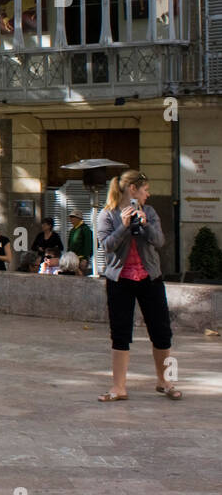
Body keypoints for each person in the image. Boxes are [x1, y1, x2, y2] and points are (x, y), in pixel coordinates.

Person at [96, 170, 180, 401]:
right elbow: (106, 246)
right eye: (145, 190)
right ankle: (119, 387)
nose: (148, 194)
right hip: (119, 280)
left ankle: (165, 381)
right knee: (120, 333)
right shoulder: (107, 215)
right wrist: (123, 226)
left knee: (162, 332)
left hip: (149, 278)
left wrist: (144, 224)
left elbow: (160, 241)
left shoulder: (149, 212)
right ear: (132, 189)